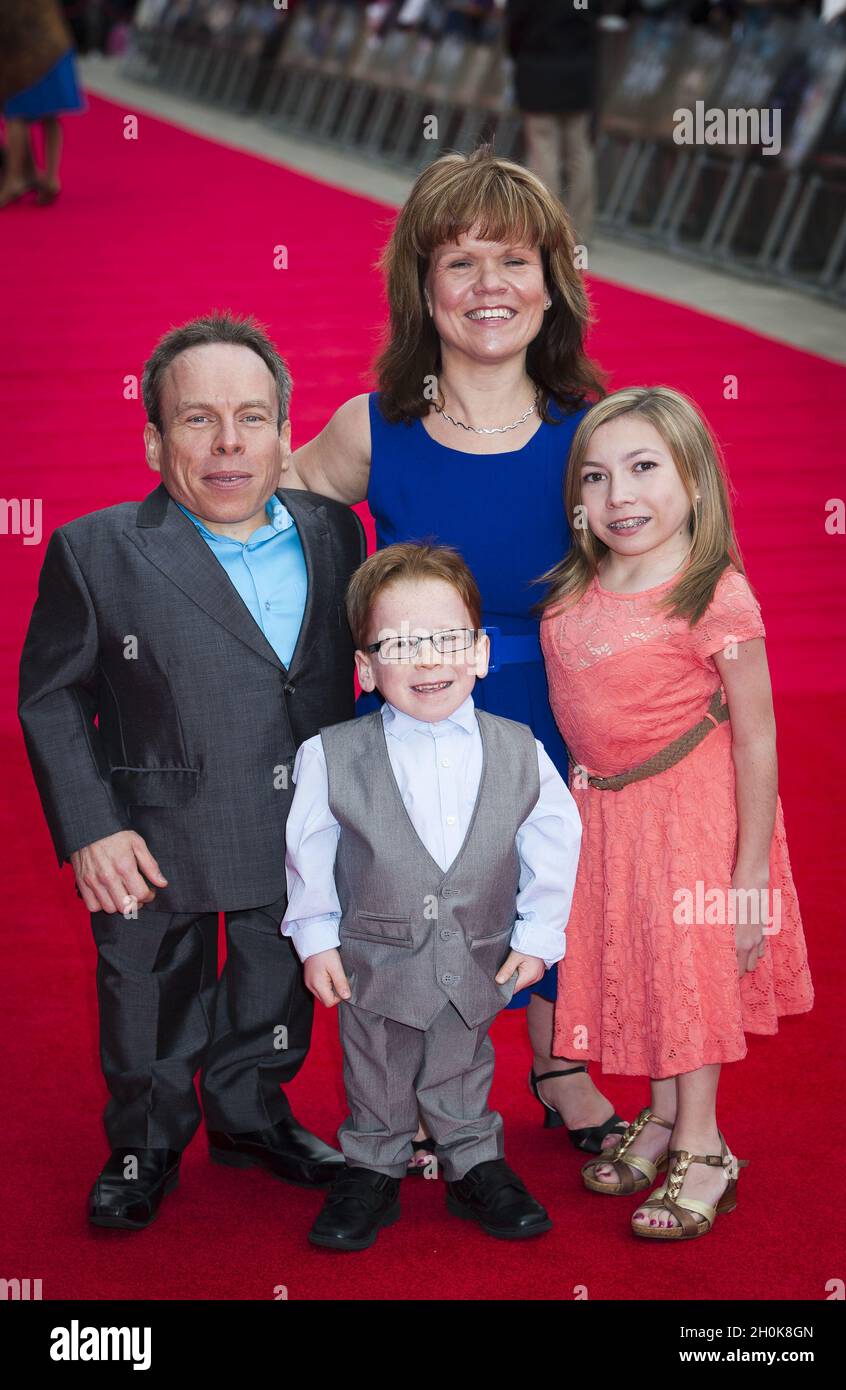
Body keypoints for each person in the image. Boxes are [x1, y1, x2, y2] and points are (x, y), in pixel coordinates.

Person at [282, 144, 625, 1171]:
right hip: (423, 701)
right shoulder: (372, 428)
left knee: (550, 873)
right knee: (434, 882)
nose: (490, 288)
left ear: (552, 282)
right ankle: (431, 1078)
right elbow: (276, 532)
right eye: (461, 262)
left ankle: (558, 1060)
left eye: (515, 261)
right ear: (422, 290)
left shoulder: (593, 429)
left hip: (563, 697)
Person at [18, 311, 366, 1229]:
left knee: (276, 979)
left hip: (298, 824)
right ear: (153, 437)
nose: (228, 443)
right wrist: (92, 823)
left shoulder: (337, 535)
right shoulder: (94, 551)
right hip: (152, 827)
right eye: (197, 419)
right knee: (148, 996)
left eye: (253, 418)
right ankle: (146, 1140)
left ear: (287, 435)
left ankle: (251, 1116)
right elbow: (49, 695)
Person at [536, 385, 814, 1241]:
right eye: (595, 477)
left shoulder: (714, 595)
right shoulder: (578, 583)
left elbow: (758, 739)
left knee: (689, 979)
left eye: (644, 469)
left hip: (694, 817)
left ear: (695, 480)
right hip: (611, 820)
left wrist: (748, 877)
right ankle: (658, 1122)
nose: (619, 496)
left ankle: (703, 1145)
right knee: (650, 971)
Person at [281, 542, 584, 1250]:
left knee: (464, 1057)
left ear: (479, 652)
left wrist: (539, 936)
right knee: (375, 1064)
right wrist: (316, 937)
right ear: (364, 668)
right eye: (401, 644)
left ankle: (473, 1160)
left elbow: (553, 845)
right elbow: (309, 853)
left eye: (447, 639)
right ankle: (372, 1167)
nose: (427, 660)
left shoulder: (520, 749)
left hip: (475, 955)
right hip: (373, 960)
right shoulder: (331, 754)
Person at [505, 0, 600, 247]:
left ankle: (545, 229)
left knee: (542, 151)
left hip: (538, 69)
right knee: (579, 152)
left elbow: (515, 25)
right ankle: (580, 230)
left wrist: (518, 55)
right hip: (578, 73)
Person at [0, 0, 86, 208]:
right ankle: (50, 178)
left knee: (16, 114)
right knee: (50, 115)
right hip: (52, 41)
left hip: (20, 49)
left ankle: (14, 179)